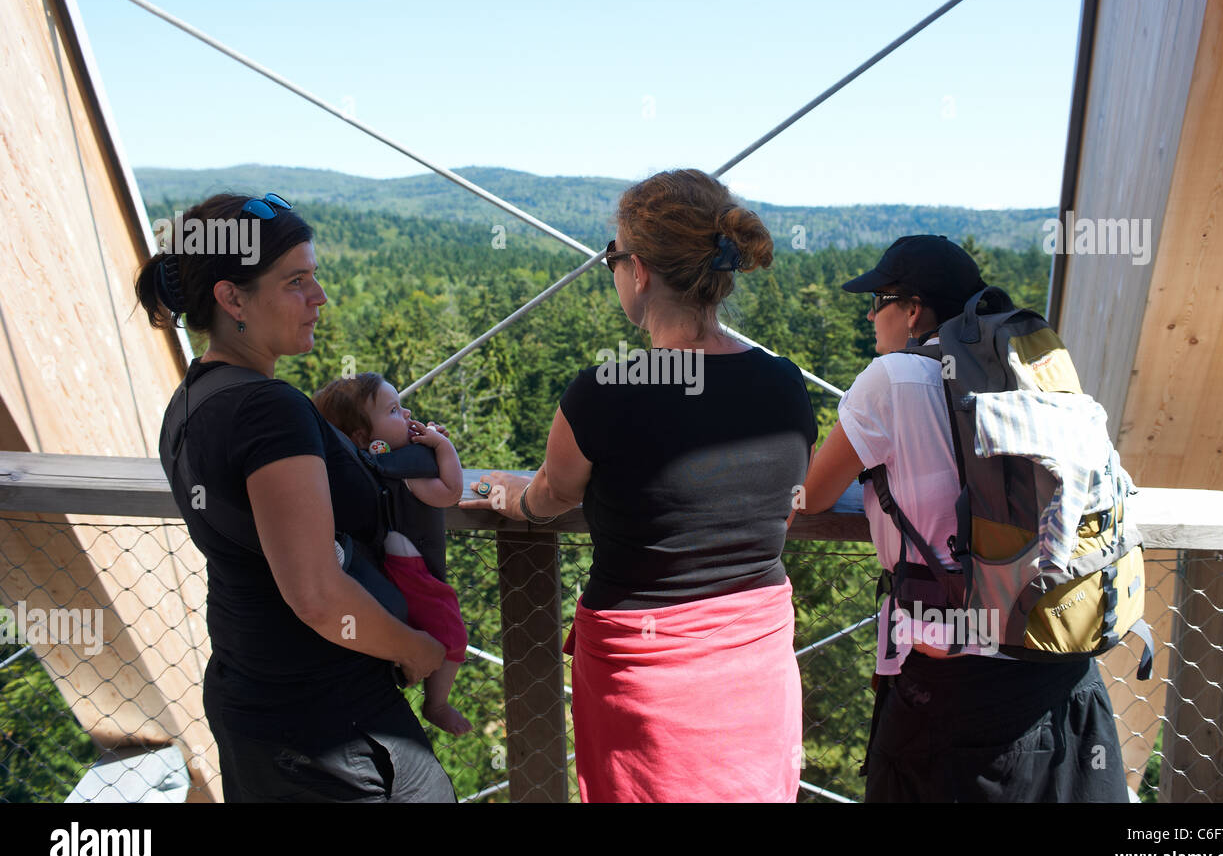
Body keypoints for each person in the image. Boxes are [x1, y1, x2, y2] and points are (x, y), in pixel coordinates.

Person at [461, 168, 817, 803]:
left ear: (641, 270)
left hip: (645, 672)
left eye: (612, 257)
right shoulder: (786, 384)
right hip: (755, 660)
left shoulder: (603, 392)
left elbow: (549, 497)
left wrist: (500, 493)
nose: (613, 270)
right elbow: (781, 510)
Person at [136, 193, 455, 802]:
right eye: (297, 280)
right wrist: (417, 649)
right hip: (329, 721)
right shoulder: (268, 409)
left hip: (257, 697)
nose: (320, 297)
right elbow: (314, 595)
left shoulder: (191, 403)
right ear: (233, 299)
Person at [798, 234, 1128, 802]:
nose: (871, 315)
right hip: (1061, 659)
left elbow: (813, 496)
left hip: (955, 685)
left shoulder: (891, 381)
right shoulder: (1024, 374)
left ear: (913, 310)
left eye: (877, 301)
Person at [312, 373, 470, 735]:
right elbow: (450, 491)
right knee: (451, 630)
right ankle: (437, 703)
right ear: (363, 438)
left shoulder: (374, 463)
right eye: (395, 410)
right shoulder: (404, 471)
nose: (408, 413)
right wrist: (444, 448)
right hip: (409, 566)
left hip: (382, 565)